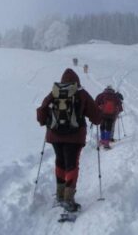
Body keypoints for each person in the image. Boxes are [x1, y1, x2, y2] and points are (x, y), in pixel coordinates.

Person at [36, 68, 102, 212]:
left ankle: (60, 195)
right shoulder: (81, 93)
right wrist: (97, 118)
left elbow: (41, 111)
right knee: (72, 165)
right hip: (75, 136)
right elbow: (96, 117)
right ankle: (68, 199)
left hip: (54, 135)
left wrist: (45, 121)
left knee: (60, 162)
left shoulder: (54, 92)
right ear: (77, 81)